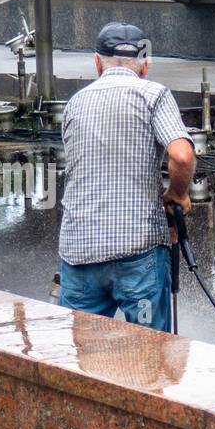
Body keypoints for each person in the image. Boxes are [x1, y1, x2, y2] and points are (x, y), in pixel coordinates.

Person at [57, 22, 195, 333]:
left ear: (97, 63)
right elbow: (182, 156)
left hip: (80, 251)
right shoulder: (154, 95)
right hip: (139, 252)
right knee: (150, 354)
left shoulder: (75, 103)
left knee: (78, 357)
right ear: (145, 65)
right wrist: (177, 194)